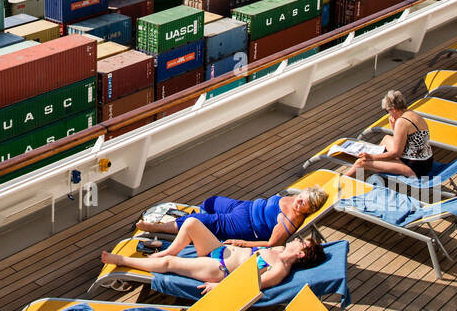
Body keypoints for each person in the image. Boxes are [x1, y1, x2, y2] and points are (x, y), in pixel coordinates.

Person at [102, 226, 324, 291]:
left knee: (170, 265)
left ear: (301, 253)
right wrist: (240, 243)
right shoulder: (280, 248)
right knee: (190, 224)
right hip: (221, 250)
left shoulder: (279, 269)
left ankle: (122, 261)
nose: (298, 240)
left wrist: (218, 288)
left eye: (302, 242)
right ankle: (166, 250)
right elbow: (257, 247)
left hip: (219, 268)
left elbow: (250, 286)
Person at [135, 185, 328, 249]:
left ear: (309, 210)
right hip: (244, 207)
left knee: (200, 221)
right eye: (302, 197)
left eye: (305, 204)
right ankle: (198, 232)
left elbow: (271, 244)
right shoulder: (295, 197)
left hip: (245, 226)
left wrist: (243, 243)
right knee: (211, 202)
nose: (300, 202)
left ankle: (159, 228)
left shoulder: (290, 220)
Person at [339, 89, 433, 180]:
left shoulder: (402, 122)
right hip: (426, 161)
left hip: (415, 167)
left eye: (387, 111)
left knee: (361, 163)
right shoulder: (412, 114)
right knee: (386, 138)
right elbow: (403, 141)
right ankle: (376, 167)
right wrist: (393, 126)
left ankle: (339, 184)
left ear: (394, 109)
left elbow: (396, 153)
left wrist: (371, 157)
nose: (389, 115)